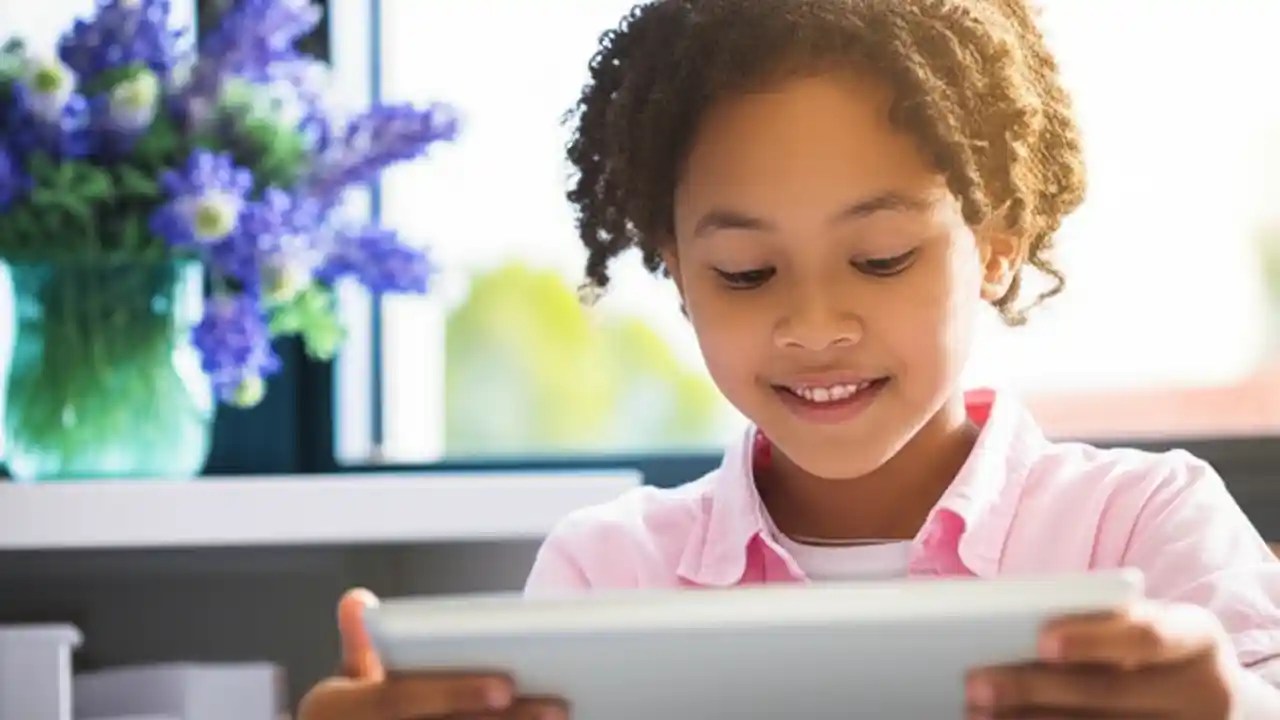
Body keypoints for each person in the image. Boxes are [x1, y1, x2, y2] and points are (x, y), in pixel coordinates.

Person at [297, 0, 1280, 718]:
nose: (813, 325)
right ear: (677, 273)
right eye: (745, 271)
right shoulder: (607, 573)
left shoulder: (1142, 528)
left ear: (996, 242)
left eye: (879, 257)